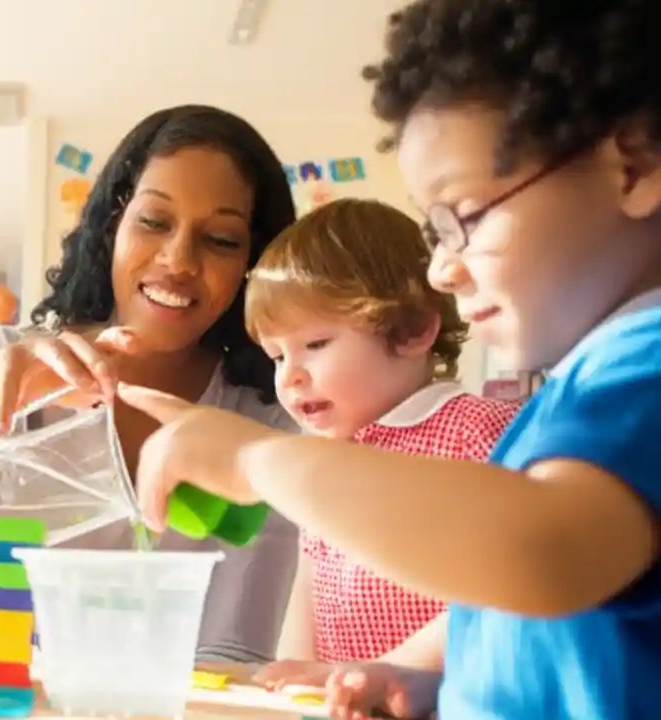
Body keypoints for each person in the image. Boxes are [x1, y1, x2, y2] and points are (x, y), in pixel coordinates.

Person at [121, 1, 661, 717]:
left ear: (634, 164)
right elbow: (528, 616)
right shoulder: (581, 390)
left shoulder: (644, 370)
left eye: (460, 218)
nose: (441, 270)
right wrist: (434, 682)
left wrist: (259, 463)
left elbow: (544, 552)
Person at [0, 104, 301, 660]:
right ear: (112, 228)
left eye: (220, 238)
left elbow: (236, 653)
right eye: (153, 221)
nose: (178, 260)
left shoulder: (264, 423)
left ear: (254, 262)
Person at [236, 199, 517, 694]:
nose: (291, 375)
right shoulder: (322, 459)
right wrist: (292, 683)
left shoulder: (474, 433)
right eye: (277, 355)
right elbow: (311, 586)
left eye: (316, 344)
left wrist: (386, 671)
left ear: (411, 330)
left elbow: (505, 593)